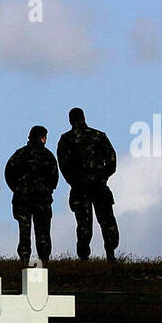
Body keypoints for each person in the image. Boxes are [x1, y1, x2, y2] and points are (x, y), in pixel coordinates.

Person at [56, 107, 119, 262]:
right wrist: (103, 177)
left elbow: (63, 165)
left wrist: (74, 182)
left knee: (84, 224)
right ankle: (110, 254)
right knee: (107, 220)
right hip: (99, 186)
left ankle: (84, 257)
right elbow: (112, 160)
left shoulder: (66, 139)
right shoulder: (99, 136)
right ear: (84, 117)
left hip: (79, 188)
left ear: (70, 120)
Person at [3, 125, 58, 264]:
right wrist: (47, 191)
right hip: (42, 201)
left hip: (22, 200)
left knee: (24, 231)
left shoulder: (20, 154)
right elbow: (54, 178)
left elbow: (8, 173)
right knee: (43, 232)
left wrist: (17, 189)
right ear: (43, 138)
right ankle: (44, 261)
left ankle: (24, 259)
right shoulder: (48, 156)